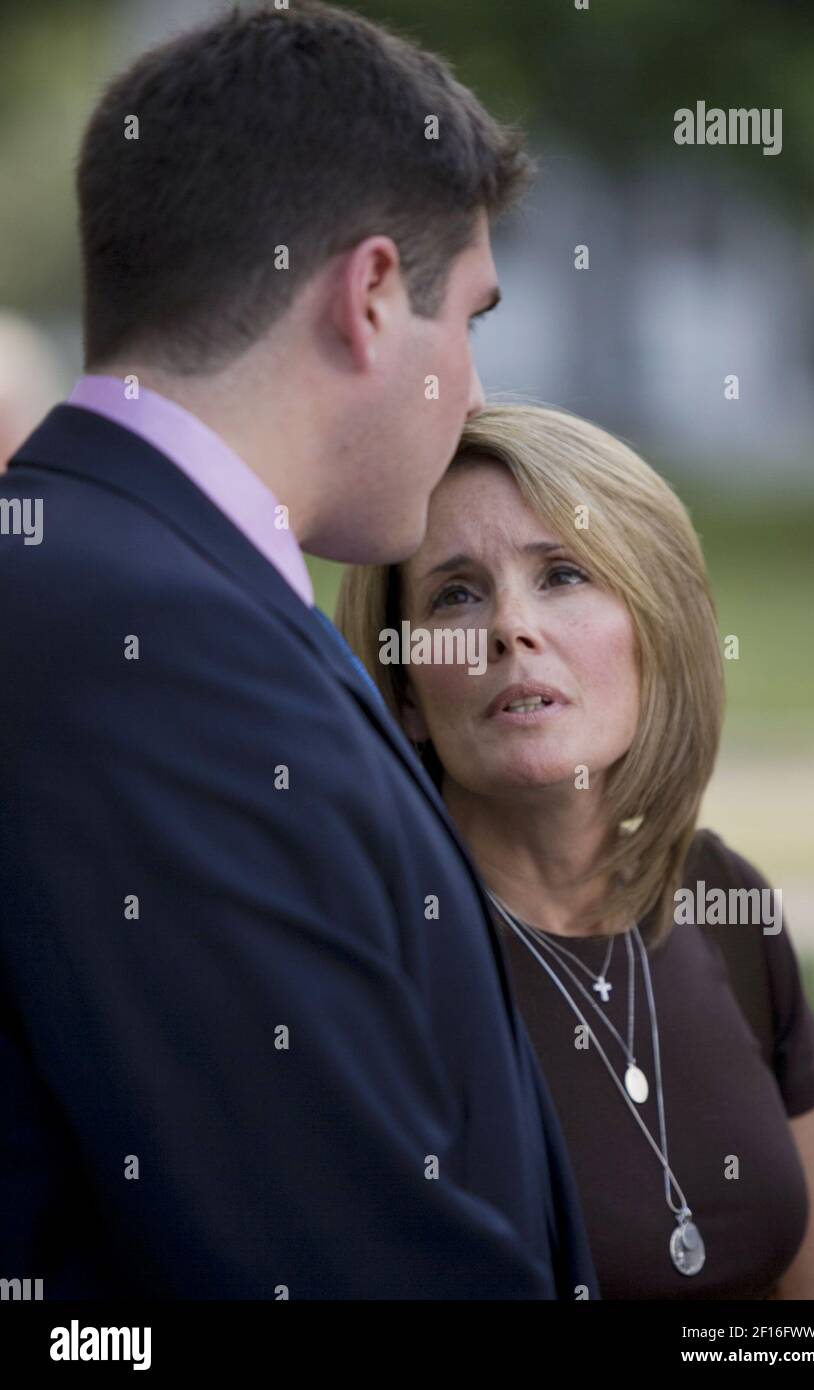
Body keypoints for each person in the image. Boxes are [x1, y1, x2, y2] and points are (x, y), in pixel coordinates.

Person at [0, 5, 598, 1299]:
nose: (477, 394)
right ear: (373, 294)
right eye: (471, 320)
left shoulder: (108, 576)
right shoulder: (160, 649)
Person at [336, 401, 814, 1299]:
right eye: (455, 594)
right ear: (409, 691)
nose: (511, 628)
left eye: (563, 575)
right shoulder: (372, 958)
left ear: (653, 631)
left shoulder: (721, 896)